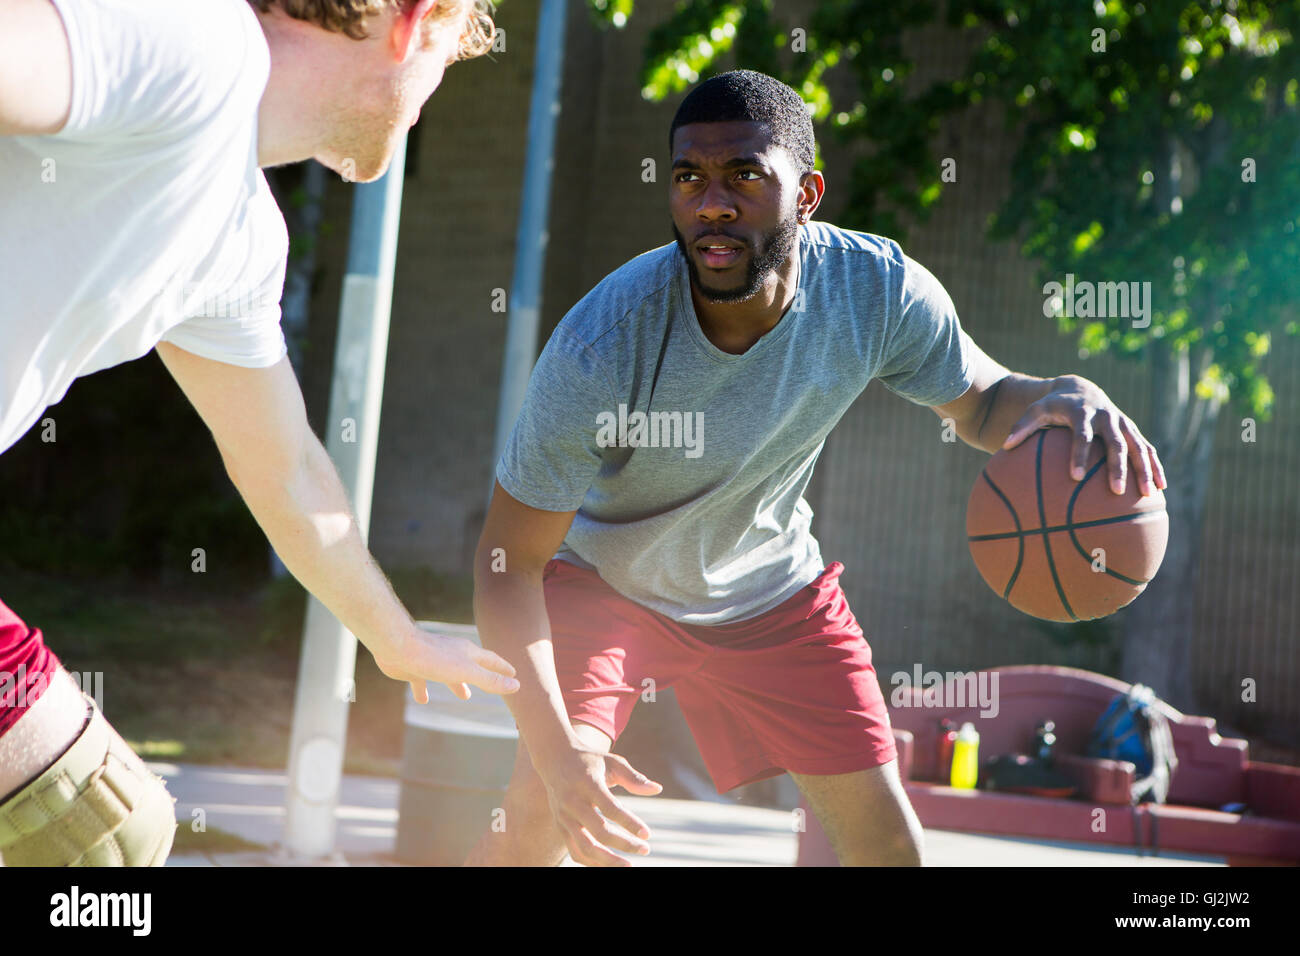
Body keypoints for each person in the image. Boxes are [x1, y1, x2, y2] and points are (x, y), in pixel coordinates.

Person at [465, 69, 1167, 867]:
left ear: (807, 194)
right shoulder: (602, 345)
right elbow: (506, 565)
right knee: (538, 809)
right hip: (607, 582)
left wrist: (1065, 391)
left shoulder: (877, 291)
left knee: (883, 835)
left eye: (745, 175)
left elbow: (985, 406)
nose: (712, 203)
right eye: (688, 177)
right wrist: (563, 762)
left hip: (772, 589)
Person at [0, 0, 518, 867]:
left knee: (101, 839)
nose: (430, 103)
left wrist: (396, 638)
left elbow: (286, 471)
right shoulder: (193, 42)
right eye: (443, 67)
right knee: (96, 832)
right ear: (413, 22)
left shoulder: (238, 239)